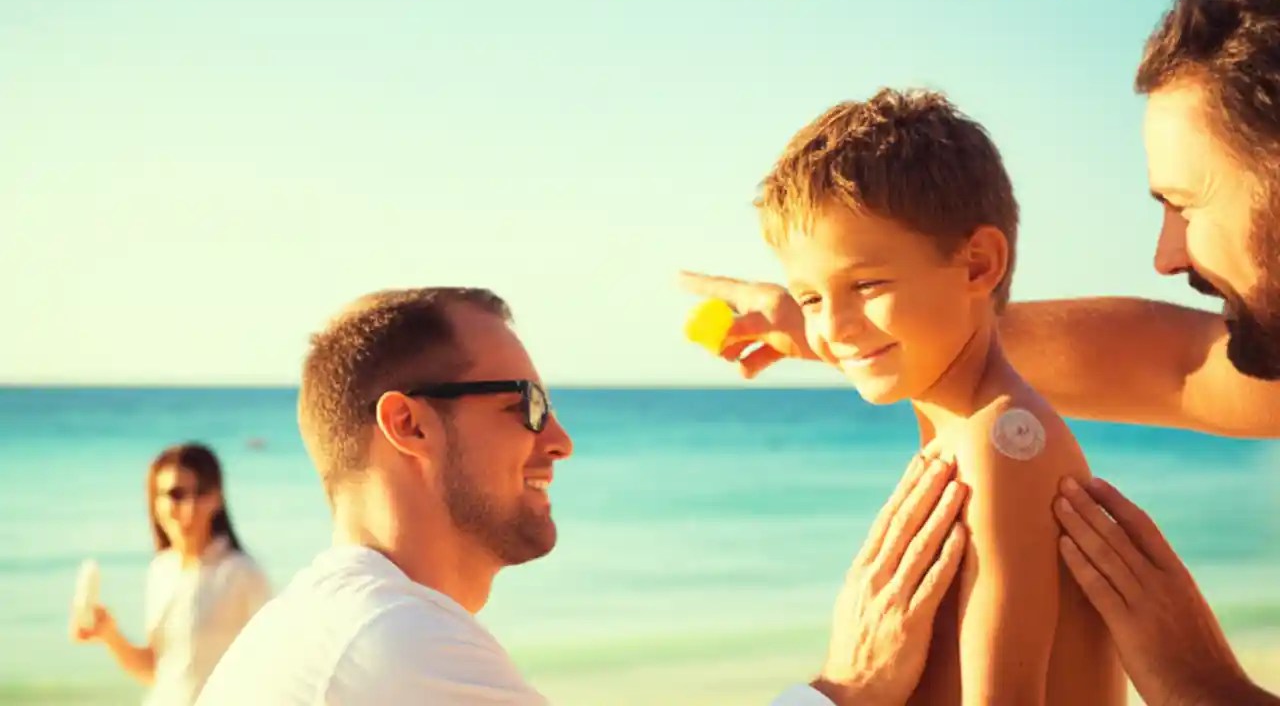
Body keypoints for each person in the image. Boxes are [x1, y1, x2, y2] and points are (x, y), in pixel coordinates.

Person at [679, 0, 1280, 703]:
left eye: (1184, 204)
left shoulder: (1001, 443)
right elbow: (1183, 367)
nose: (1165, 255)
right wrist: (839, 326)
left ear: (977, 265)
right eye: (813, 295)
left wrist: (1204, 685)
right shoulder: (963, 425)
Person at [195, 287, 969, 706]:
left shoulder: (337, 623)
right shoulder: (385, 639)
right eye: (525, 405)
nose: (559, 439)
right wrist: (848, 687)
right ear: (408, 425)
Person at [73, 443, 271, 706]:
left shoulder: (242, 574)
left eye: (201, 492)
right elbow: (159, 671)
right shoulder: (161, 570)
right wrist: (109, 634)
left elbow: (273, 670)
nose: (189, 507)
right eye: (176, 494)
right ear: (154, 501)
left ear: (218, 499)